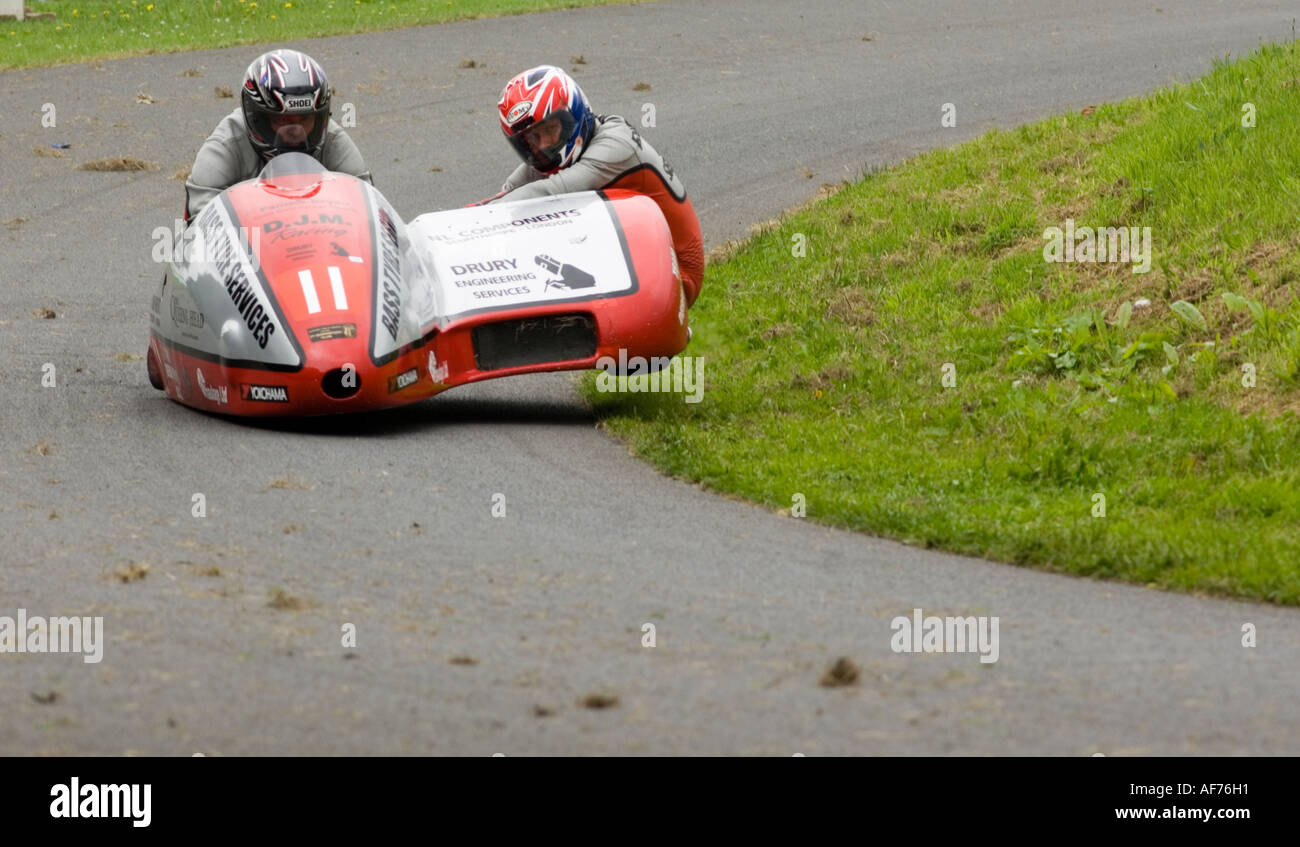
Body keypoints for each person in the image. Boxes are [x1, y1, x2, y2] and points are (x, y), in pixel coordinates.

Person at [478, 65, 704, 306]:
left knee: (545, 214)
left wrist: (483, 215)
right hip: (637, 259)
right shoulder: (554, 155)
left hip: (677, 273)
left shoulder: (617, 146)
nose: (542, 146)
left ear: (572, 115)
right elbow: (506, 196)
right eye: (531, 139)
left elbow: (549, 192)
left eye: (549, 130)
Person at [183, 48, 372, 223]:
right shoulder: (226, 145)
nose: (295, 132)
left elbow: (369, 210)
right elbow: (202, 224)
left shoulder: (332, 139)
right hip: (244, 250)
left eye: (305, 119)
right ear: (255, 117)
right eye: (282, 121)